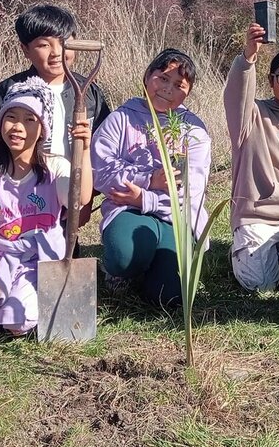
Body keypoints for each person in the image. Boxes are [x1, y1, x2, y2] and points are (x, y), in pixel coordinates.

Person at [0, 79, 92, 335]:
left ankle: (12, 308)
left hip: (38, 260)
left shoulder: (56, 168)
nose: (18, 127)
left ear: (42, 129)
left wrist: (84, 150)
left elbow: (79, 198)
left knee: (18, 321)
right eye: (11, 117)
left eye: (29, 119)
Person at [91, 49, 212, 306]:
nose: (168, 89)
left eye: (179, 85)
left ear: (188, 92)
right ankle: (119, 270)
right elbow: (100, 171)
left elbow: (190, 190)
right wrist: (149, 179)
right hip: (127, 211)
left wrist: (144, 198)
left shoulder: (193, 131)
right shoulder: (121, 119)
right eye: (162, 78)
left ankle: (153, 269)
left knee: (169, 298)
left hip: (175, 218)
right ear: (147, 76)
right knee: (125, 255)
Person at [0, 5, 110, 180]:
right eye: (44, 45)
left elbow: (104, 148)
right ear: (25, 49)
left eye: (64, 42)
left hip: (76, 192)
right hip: (21, 194)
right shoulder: (9, 92)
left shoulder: (89, 93)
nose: (56, 53)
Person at [224, 24, 279, 291]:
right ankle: (243, 249)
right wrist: (248, 56)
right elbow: (236, 94)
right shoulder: (250, 116)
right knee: (261, 286)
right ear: (271, 79)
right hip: (256, 219)